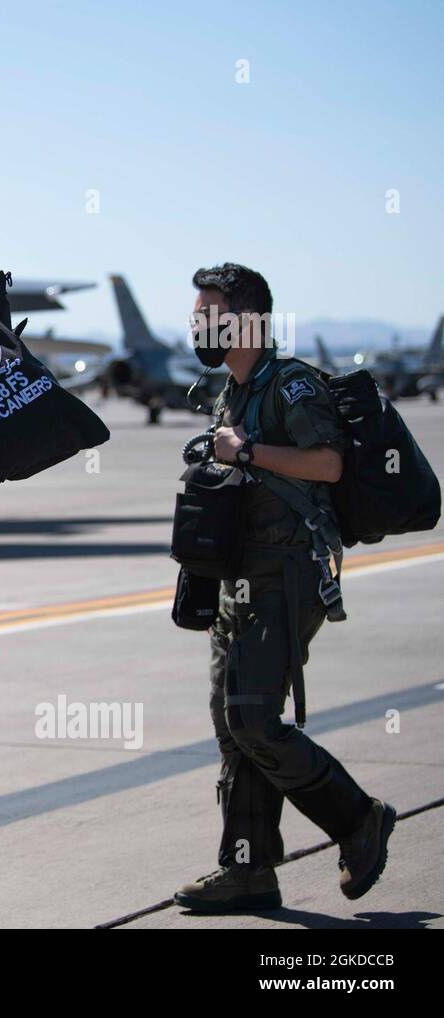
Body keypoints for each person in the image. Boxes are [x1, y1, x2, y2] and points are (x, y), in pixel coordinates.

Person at [175, 262, 394, 912]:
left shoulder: (291, 385)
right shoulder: (233, 392)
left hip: (288, 570)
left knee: (253, 717)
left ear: (245, 318)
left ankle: (358, 819)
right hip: (238, 576)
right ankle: (248, 869)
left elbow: (326, 463)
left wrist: (243, 452)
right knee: (231, 720)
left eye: (206, 312)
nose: (196, 325)